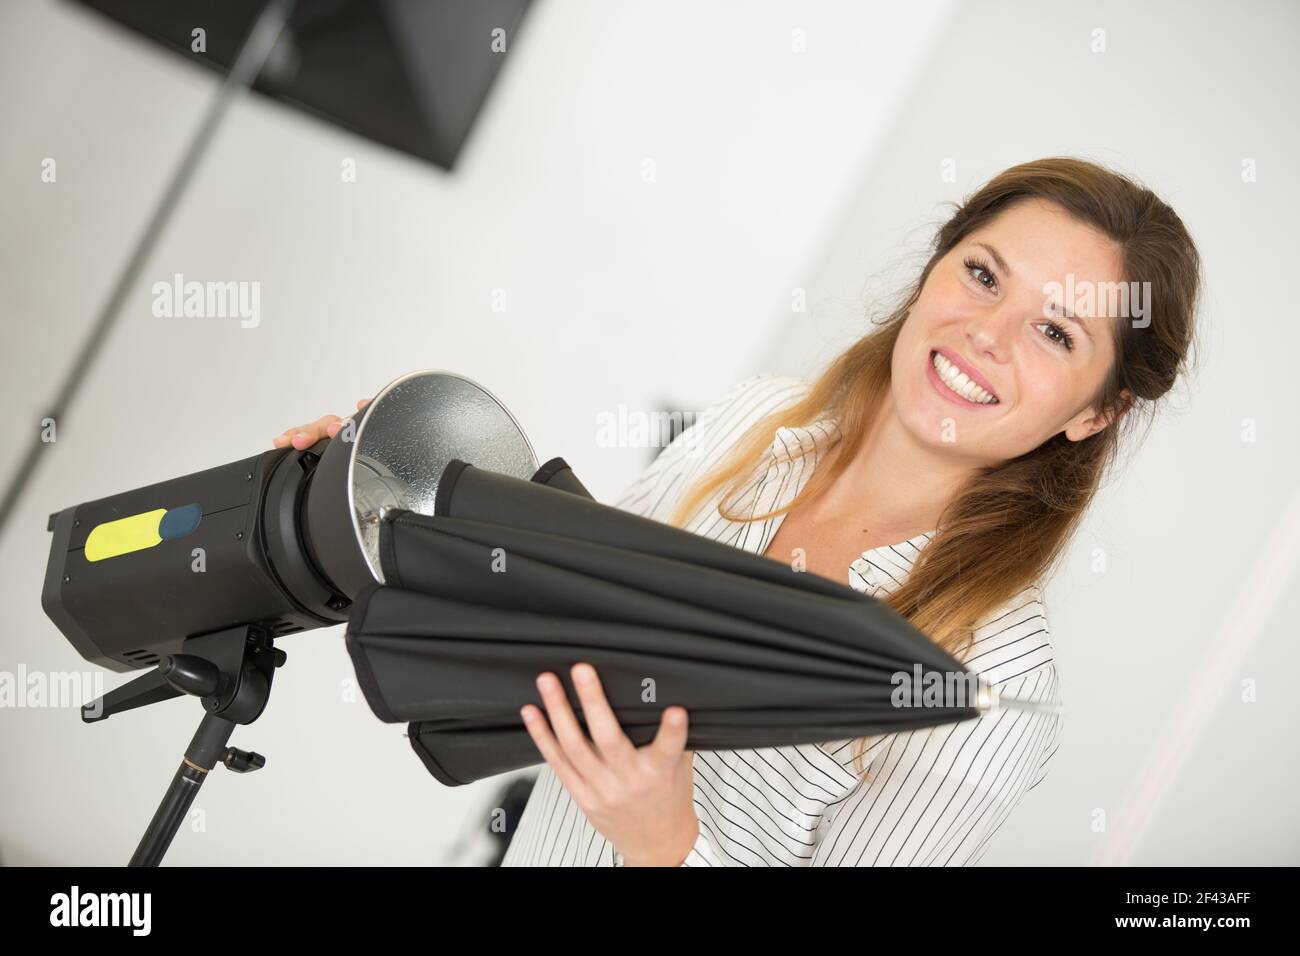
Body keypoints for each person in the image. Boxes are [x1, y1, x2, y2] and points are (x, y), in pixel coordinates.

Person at [274, 157, 1202, 866]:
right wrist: (373, 491)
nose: (985, 335)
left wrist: (668, 846)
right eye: (985, 275)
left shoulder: (992, 690)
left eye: (1054, 332)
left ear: (1096, 411)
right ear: (934, 268)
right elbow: (546, 610)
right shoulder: (758, 421)